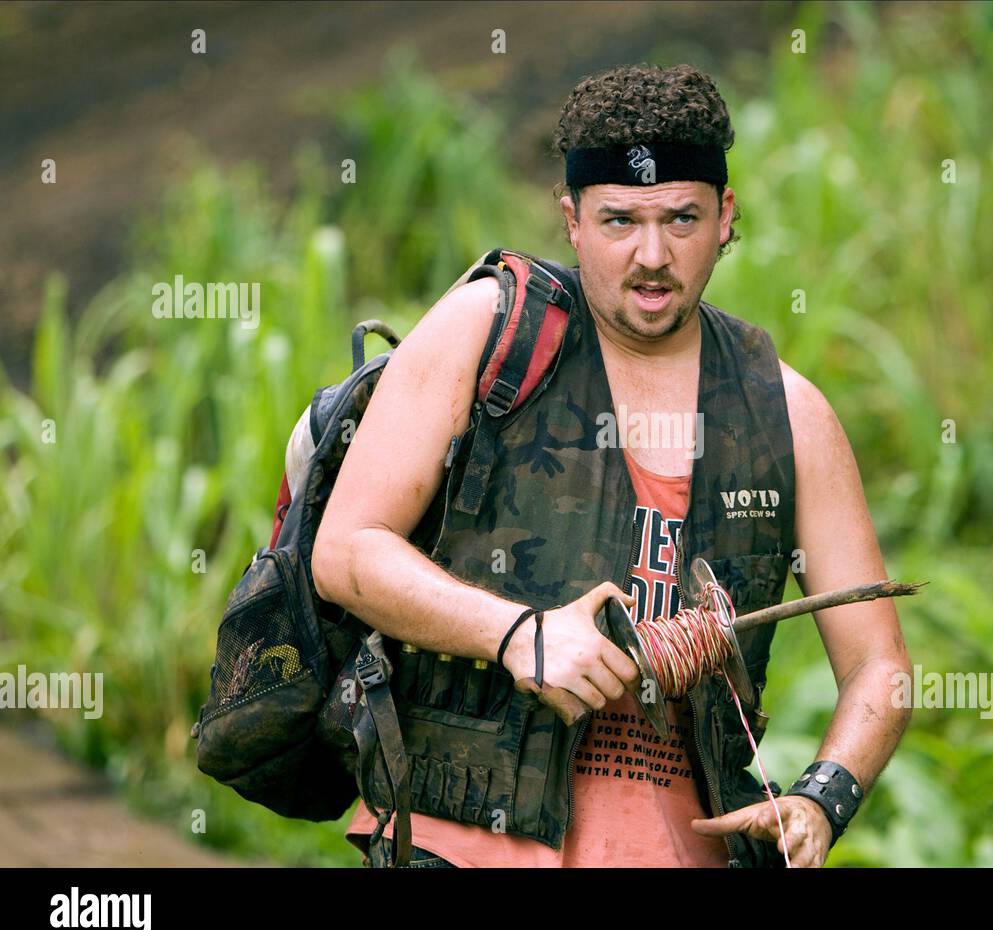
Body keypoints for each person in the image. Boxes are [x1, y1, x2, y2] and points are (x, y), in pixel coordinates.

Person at [312, 62, 911, 868]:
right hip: (458, 840)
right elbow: (346, 551)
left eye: (682, 218)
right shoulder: (490, 335)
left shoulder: (786, 414)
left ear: (726, 215)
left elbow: (878, 663)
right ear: (572, 219)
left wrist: (819, 798)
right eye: (620, 220)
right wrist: (516, 634)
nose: (652, 255)